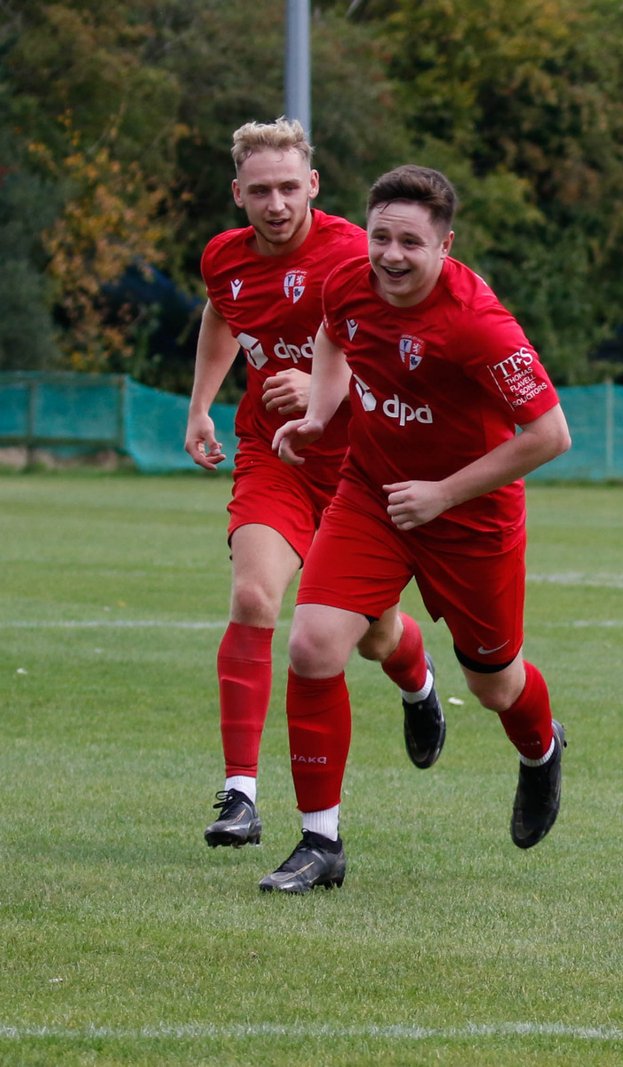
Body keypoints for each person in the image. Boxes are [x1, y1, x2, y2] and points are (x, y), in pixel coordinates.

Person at [263, 164, 572, 893]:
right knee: (311, 645)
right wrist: (320, 413)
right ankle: (320, 842)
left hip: (472, 519)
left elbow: (550, 433)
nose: (391, 254)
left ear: (445, 245)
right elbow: (332, 337)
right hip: (372, 495)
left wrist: (443, 493)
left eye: (410, 241)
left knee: (494, 684)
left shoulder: (476, 323)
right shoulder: (348, 282)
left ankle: (540, 753)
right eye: (380, 237)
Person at [185, 119, 446, 850]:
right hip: (274, 456)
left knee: (372, 637)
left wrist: (325, 382)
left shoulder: (356, 254)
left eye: (288, 188)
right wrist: (201, 404)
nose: (275, 204)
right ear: (238, 192)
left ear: (314, 187)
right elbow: (223, 313)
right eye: (260, 190)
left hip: (362, 467)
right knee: (252, 596)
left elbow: (412, 342)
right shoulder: (223, 259)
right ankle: (240, 794)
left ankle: (417, 681)